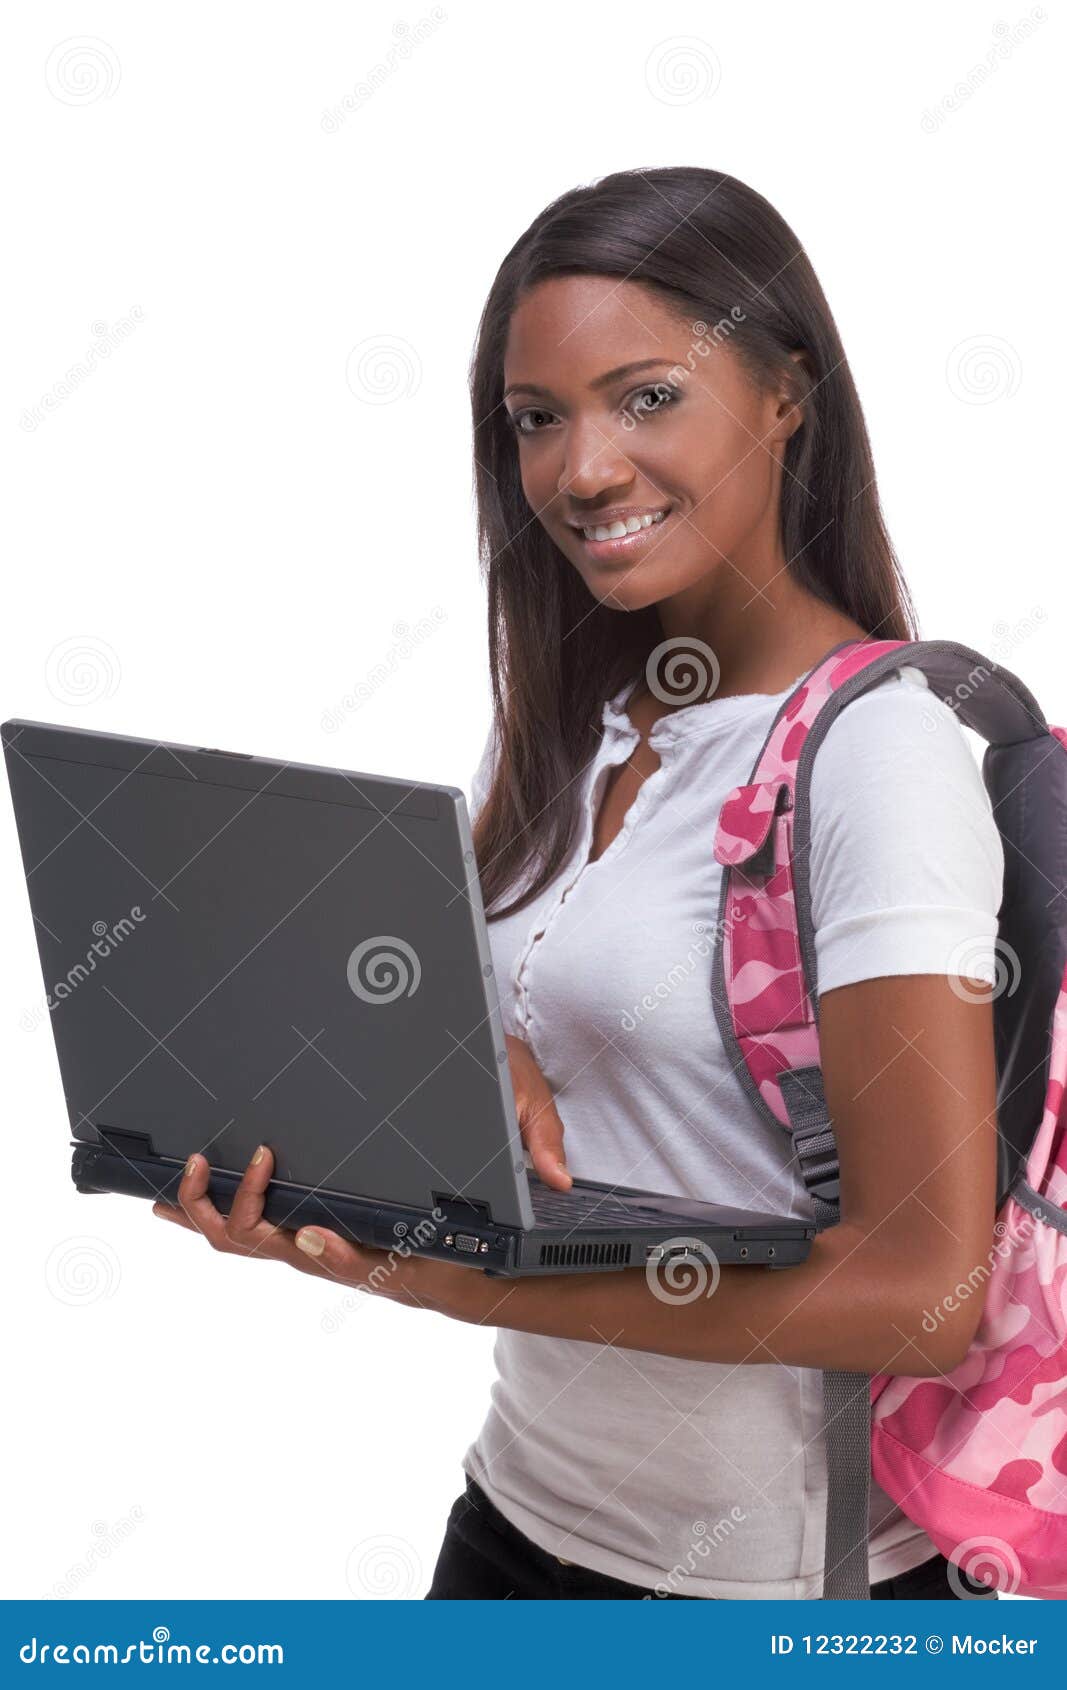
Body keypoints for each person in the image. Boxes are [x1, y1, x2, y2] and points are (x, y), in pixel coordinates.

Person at [153, 168, 1004, 1600]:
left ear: (788, 393)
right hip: (518, 1510)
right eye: (538, 419)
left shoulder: (879, 755)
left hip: (762, 1586)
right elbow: (588, 1039)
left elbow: (924, 1289)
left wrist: (480, 1279)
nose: (582, 468)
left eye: (648, 396)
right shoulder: (572, 719)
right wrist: (441, 1098)